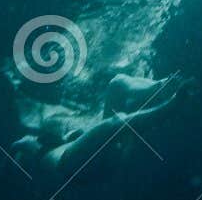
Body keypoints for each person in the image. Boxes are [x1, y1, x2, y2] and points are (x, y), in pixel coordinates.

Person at [12, 72, 186, 177]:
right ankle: (173, 104)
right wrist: (7, 168)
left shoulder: (60, 138)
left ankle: (158, 86)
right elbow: (18, 144)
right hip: (70, 165)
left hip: (100, 161)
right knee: (116, 123)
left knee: (117, 83)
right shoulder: (33, 148)